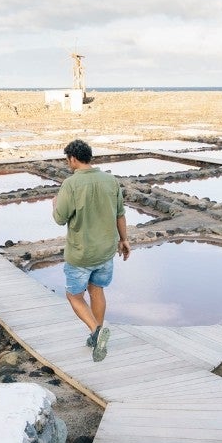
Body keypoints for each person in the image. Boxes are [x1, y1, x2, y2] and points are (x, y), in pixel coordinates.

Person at [52, 139, 130, 361]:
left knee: (74, 296)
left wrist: (55, 204)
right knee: (97, 290)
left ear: (73, 159)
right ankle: (96, 336)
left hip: (81, 253)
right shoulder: (110, 180)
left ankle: (96, 331)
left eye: (67, 159)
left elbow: (60, 218)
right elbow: (120, 214)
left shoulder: (71, 184)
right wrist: (124, 240)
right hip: (105, 251)